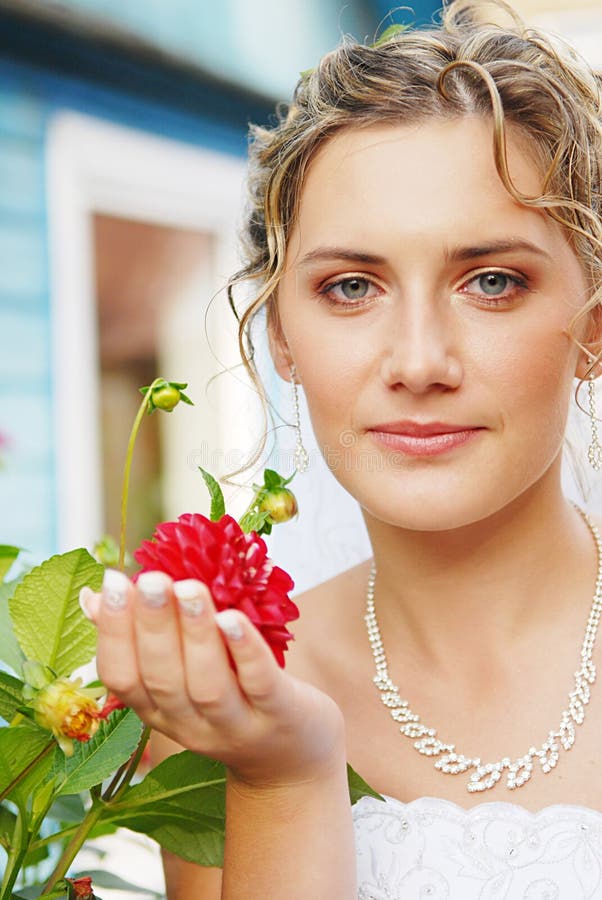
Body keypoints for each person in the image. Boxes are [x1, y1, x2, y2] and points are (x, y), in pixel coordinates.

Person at [84, 0, 602, 895]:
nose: (418, 361)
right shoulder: (229, 695)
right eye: (352, 286)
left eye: (491, 281)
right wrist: (283, 776)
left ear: (593, 328)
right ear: (282, 335)